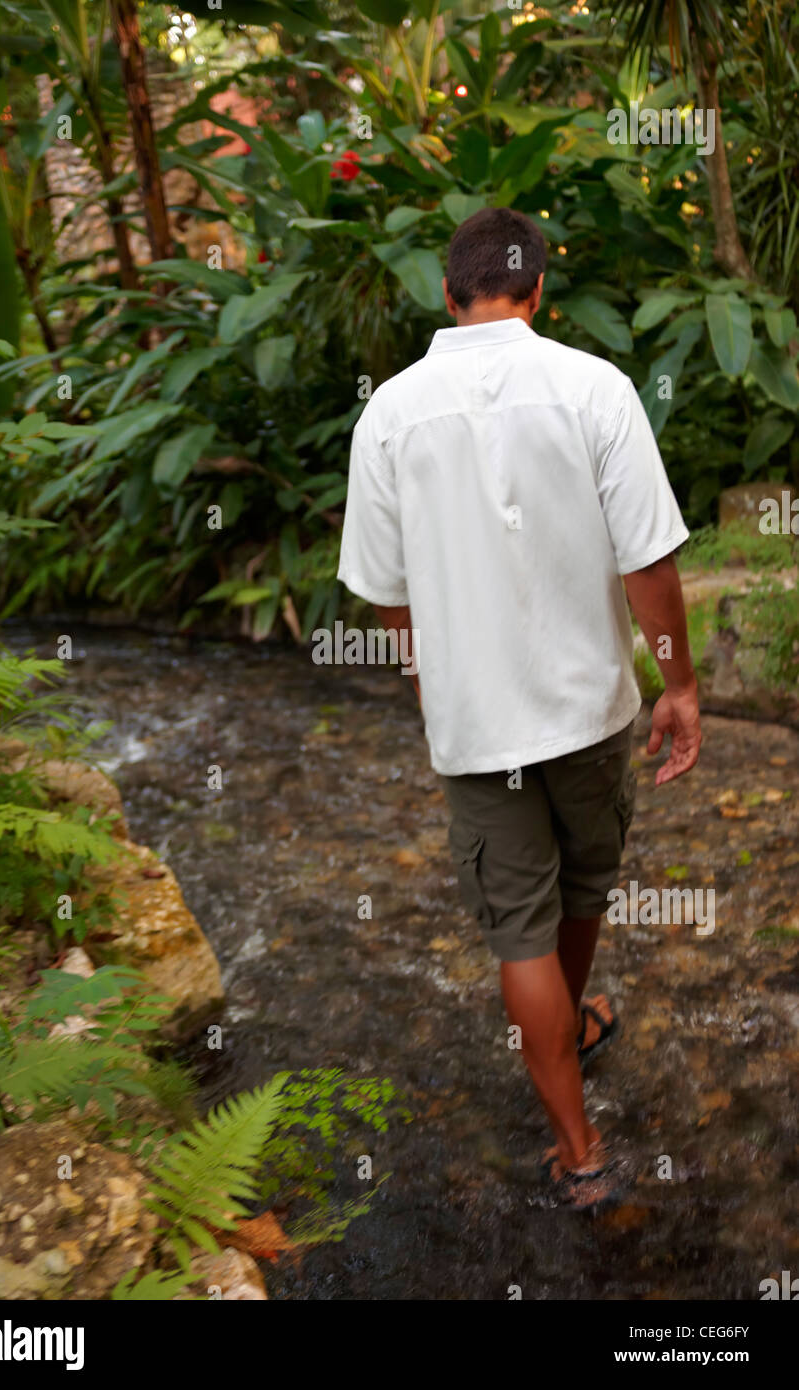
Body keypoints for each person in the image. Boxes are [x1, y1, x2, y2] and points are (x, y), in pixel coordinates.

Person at [337, 205, 701, 1209]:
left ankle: (578, 1152)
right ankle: (570, 1042)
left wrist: (427, 680)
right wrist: (676, 683)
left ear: (445, 294)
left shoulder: (390, 414)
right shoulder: (594, 388)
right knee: (582, 888)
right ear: (537, 290)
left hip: (475, 728)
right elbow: (648, 560)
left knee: (520, 931)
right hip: (589, 710)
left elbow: (385, 585)